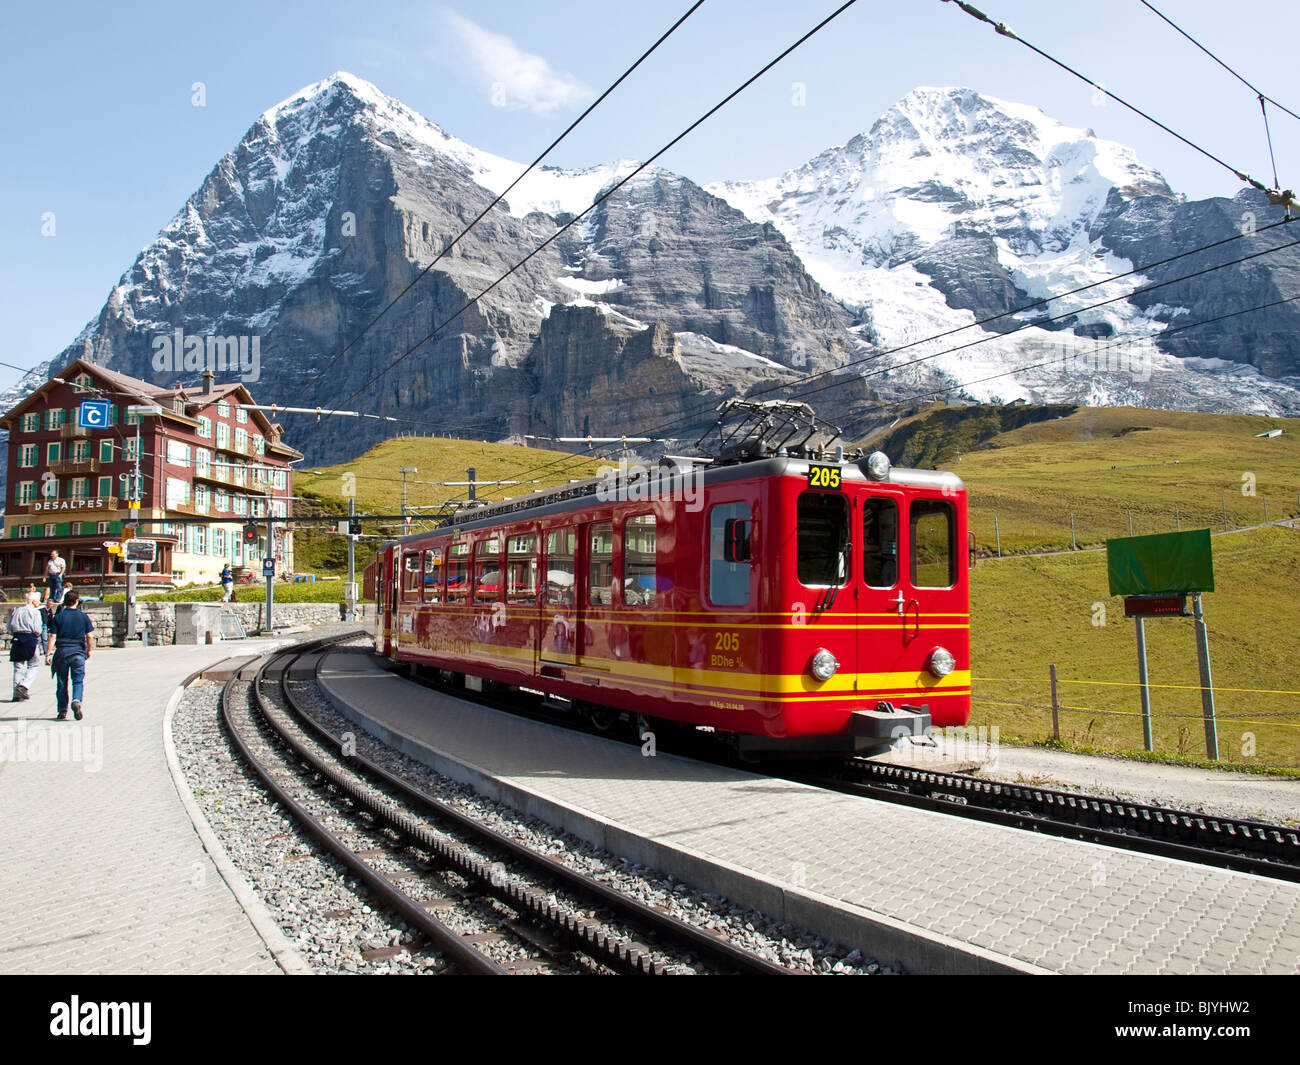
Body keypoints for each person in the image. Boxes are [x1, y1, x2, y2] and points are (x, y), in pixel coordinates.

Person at [46, 589, 93, 721]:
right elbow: (89, 636)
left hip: (62, 652)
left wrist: (48, 654)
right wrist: (88, 650)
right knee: (77, 680)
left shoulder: (59, 617)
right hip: (78, 652)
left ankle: (62, 710)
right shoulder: (83, 617)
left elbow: (52, 636)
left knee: (62, 682)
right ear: (77, 601)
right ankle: (76, 700)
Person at [8, 591, 44, 701]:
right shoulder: (35, 612)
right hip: (30, 638)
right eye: (38, 600)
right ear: (33, 601)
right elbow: (38, 629)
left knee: (18, 667)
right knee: (33, 664)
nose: (39, 602)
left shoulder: (16, 611)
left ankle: (16, 693)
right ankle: (23, 686)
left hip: (17, 638)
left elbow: (9, 626)